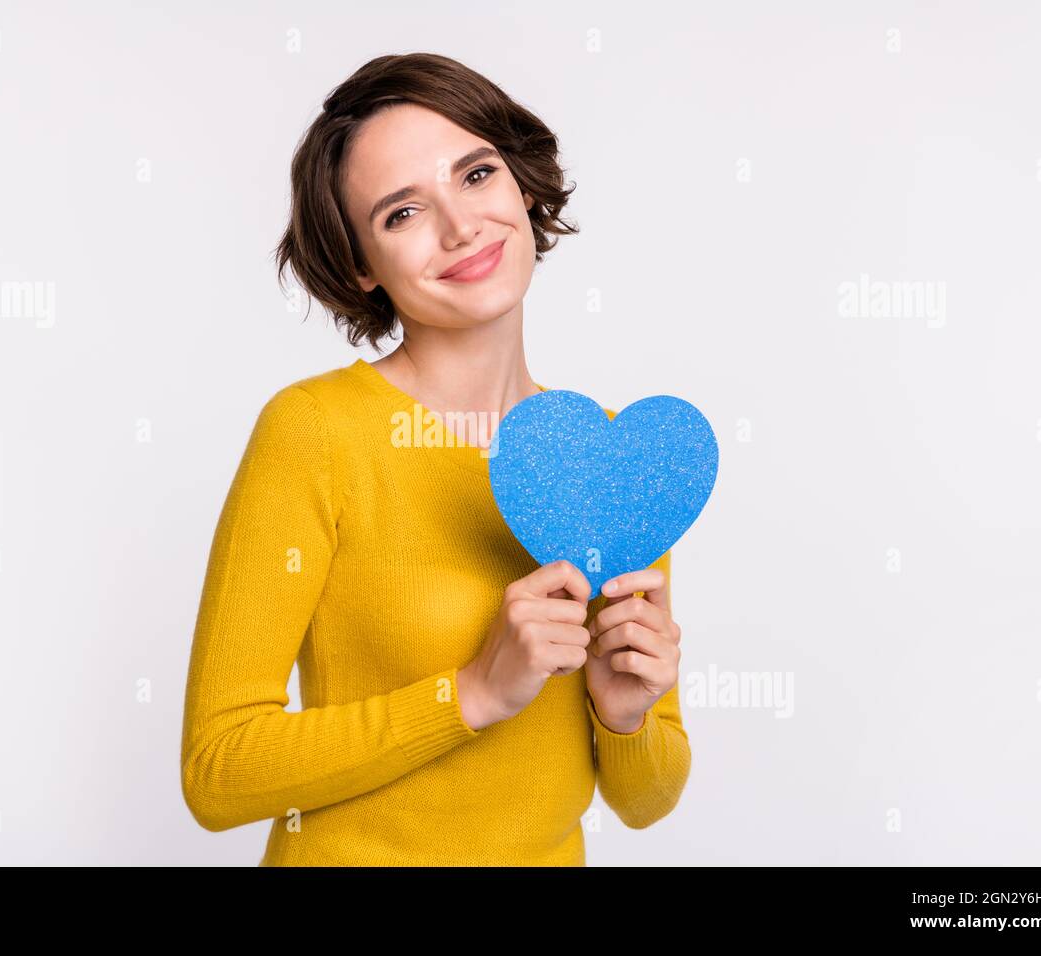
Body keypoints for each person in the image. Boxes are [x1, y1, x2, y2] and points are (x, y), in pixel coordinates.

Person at [179, 52, 689, 866]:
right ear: (360, 266)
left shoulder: (608, 454)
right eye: (402, 213)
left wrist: (623, 715)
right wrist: (473, 694)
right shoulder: (315, 433)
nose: (460, 228)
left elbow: (647, 801)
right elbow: (217, 771)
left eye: (476, 174)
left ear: (522, 187)